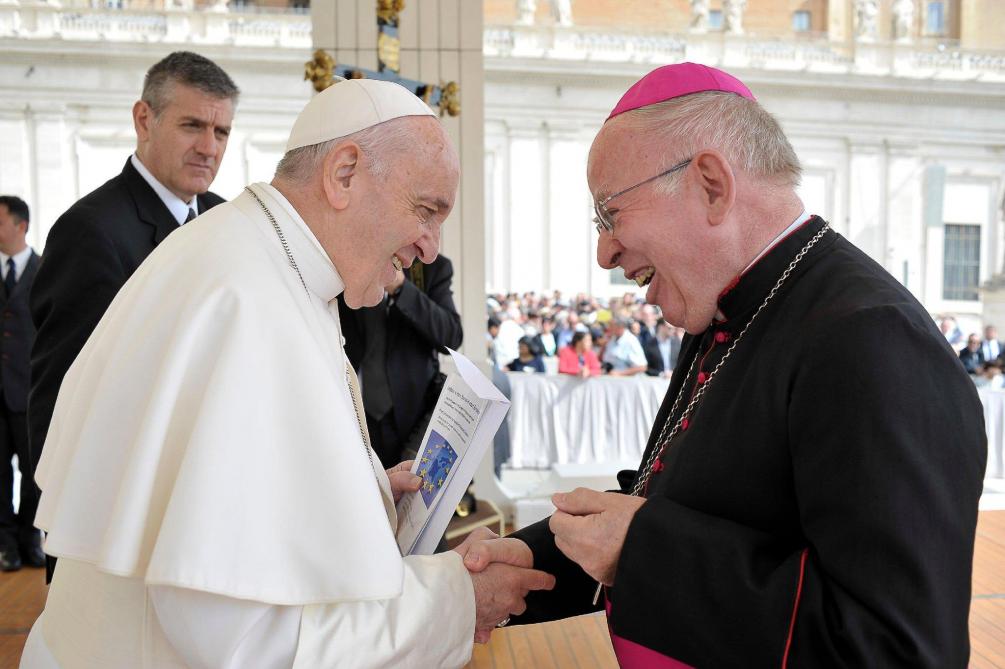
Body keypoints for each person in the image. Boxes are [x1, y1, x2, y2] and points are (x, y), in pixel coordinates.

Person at [463, 62, 986, 666]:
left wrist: (641, 551)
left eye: (610, 214)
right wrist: (528, 560)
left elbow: (895, 648)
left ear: (711, 184)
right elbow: (682, 505)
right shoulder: (724, 310)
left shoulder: (871, 339)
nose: (604, 251)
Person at [21, 78, 554, 667]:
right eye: (425, 211)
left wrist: (365, 489)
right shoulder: (248, 302)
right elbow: (244, 643)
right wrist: (456, 598)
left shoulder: (259, 257)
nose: (430, 249)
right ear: (344, 173)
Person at [28, 53, 239, 579]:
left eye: (221, 130)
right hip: (112, 532)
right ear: (144, 119)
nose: (209, 147)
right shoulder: (89, 231)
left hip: (200, 510)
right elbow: (59, 397)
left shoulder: (223, 216)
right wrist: (76, 543)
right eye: (192, 125)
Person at [338, 254, 462, 469]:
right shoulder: (350, 259)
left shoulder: (430, 268)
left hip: (412, 416)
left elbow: (450, 338)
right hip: (352, 413)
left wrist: (401, 287)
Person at [0, 196, 42, 572]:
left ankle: (32, 540)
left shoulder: (46, 270)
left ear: (20, 226)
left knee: (34, 474)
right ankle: (6, 544)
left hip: (30, 393)